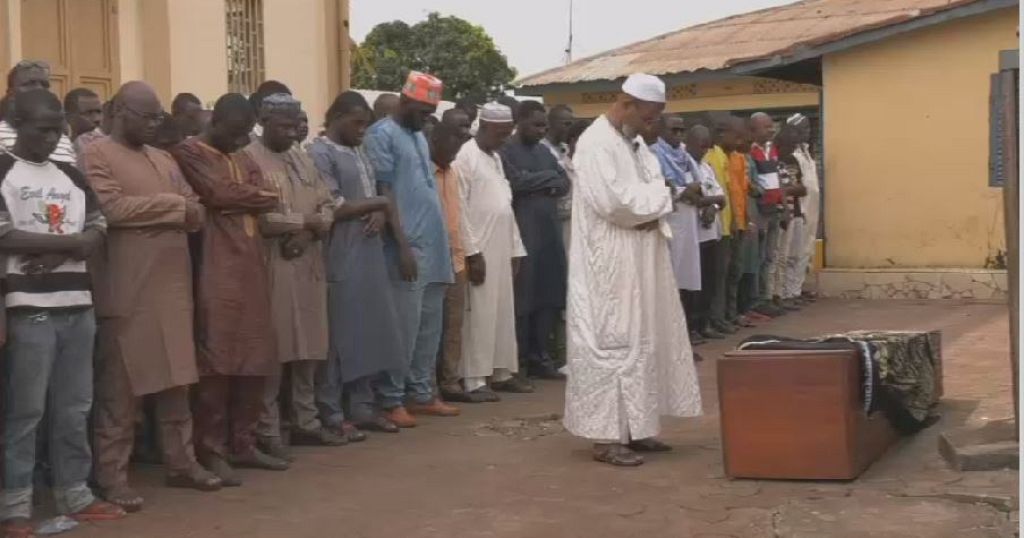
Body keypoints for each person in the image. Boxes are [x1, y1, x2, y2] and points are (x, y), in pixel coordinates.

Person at [85, 81, 218, 512]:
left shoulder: (163, 158)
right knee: (120, 392)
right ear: (121, 112)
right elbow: (111, 209)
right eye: (148, 116)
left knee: (178, 380)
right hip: (127, 289)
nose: (156, 124)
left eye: (159, 116)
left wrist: (170, 209)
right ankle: (112, 476)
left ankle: (182, 463)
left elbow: (196, 208)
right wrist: (171, 208)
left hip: (172, 288)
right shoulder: (95, 155)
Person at [0, 89, 125, 535]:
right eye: (43, 129)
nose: (53, 137)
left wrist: (61, 252)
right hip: (28, 307)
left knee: (74, 407)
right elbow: (5, 237)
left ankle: (76, 492)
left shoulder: (71, 174)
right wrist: (70, 244)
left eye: (58, 129)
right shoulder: (4, 171)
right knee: (25, 411)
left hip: (78, 305)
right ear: (17, 124)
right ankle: (14, 504)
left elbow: (98, 226)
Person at [564, 73, 701, 467]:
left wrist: (660, 199)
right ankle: (606, 437)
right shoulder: (595, 144)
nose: (651, 126)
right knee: (612, 342)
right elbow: (617, 204)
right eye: (648, 117)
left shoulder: (636, 143)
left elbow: (650, 189)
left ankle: (637, 428)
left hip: (642, 255)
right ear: (626, 105)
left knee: (645, 339)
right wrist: (670, 196)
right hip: (608, 262)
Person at [170, 93, 286, 487]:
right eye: (235, 135)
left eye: (244, 136)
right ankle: (212, 450)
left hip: (251, 266)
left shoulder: (241, 154)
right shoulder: (190, 152)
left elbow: (267, 190)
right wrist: (254, 198)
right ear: (215, 123)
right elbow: (217, 194)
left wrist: (252, 198)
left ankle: (244, 443)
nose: (241, 143)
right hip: (215, 268)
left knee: (254, 356)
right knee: (217, 361)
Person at [308, 91, 415, 434]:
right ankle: (333, 412)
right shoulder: (319, 153)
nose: (361, 130)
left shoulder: (361, 150)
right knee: (340, 336)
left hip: (368, 252)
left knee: (369, 330)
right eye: (356, 123)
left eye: (365, 125)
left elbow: (371, 200)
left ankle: (363, 406)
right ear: (336, 117)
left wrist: (380, 213)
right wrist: (379, 204)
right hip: (340, 251)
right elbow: (334, 206)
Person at [243, 94, 338, 456]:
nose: (289, 132)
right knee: (276, 349)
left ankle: (306, 422)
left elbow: (327, 204)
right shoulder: (250, 157)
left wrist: (309, 231)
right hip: (273, 263)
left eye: (293, 124)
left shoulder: (301, 156)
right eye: (281, 125)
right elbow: (261, 215)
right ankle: (268, 430)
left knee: (310, 349)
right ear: (263, 121)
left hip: (308, 259)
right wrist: (304, 223)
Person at [364, 71, 459, 427]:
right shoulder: (382, 135)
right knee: (403, 326)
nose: (427, 119)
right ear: (404, 102)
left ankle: (421, 393)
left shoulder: (419, 136)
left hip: (433, 246)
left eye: (430, 113)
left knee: (429, 326)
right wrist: (401, 244)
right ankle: (391, 399)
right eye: (422, 111)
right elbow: (385, 191)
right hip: (405, 247)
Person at [451, 102, 532, 400]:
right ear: (483, 127)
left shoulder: (495, 158)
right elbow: (459, 209)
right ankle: (474, 379)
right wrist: (473, 252)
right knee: (480, 315)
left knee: (501, 313)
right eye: (499, 133)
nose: (504, 139)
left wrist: (515, 249)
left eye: (507, 133)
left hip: (501, 245)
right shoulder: (465, 156)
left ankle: (500, 372)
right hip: (480, 247)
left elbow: (504, 206)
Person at [500, 100, 569, 379]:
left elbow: (564, 183)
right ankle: (520, 360)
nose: (542, 131)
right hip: (524, 232)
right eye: (536, 125)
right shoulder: (506, 150)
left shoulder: (544, 152)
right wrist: (546, 180)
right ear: (520, 122)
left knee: (549, 295)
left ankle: (542, 356)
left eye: (544, 126)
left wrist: (537, 180)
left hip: (550, 233)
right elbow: (515, 182)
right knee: (523, 298)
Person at [430, 122, 481, 403]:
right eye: (453, 142)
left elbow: (462, 216)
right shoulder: (424, 173)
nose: (456, 150)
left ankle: (450, 382)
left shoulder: (453, 172)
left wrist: (470, 252)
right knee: (429, 329)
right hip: (431, 259)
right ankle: (427, 387)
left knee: (453, 326)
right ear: (435, 140)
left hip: (456, 257)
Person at [645, 115, 705, 346]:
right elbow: (662, 186)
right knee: (671, 280)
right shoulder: (652, 154)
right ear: (661, 130)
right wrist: (682, 191)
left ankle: (686, 333)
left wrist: (688, 191)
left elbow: (698, 185)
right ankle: (672, 339)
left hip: (689, 222)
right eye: (674, 130)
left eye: (682, 130)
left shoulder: (685, 156)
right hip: (670, 220)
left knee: (688, 280)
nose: (679, 135)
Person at [0, 60, 76, 164]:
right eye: (29, 84)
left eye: (44, 85)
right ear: (11, 92)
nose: (39, 88)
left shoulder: (62, 138)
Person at [748, 112, 785, 318]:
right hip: (759, 210)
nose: (771, 130)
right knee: (759, 257)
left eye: (772, 126)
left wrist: (783, 206)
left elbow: (777, 178)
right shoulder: (751, 152)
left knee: (770, 256)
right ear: (753, 130)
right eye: (766, 127)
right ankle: (758, 300)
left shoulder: (772, 149)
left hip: (773, 209)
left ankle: (767, 296)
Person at [703, 120, 738, 336]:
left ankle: (722, 316)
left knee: (724, 274)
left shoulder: (721, 155)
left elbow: (725, 191)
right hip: (711, 226)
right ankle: (712, 319)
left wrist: (733, 219)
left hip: (725, 224)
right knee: (713, 277)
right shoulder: (705, 157)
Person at [775, 123, 810, 308]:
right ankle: (781, 295)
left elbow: (803, 189)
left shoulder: (793, 162)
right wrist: (790, 190)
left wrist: (790, 190)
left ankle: (792, 292)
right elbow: (781, 189)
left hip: (797, 213)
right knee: (782, 257)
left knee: (795, 255)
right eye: (789, 145)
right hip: (783, 214)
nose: (792, 149)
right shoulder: (776, 163)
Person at [786, 113, 820, 303]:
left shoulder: (807, 152)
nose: (806, 133)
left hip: (813, 208)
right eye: (802, 129)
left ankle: (798, 288)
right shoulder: (792, 155)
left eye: (808, 129)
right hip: (801, 209)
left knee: (807, 250)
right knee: (794, 253)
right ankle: (791, 292)